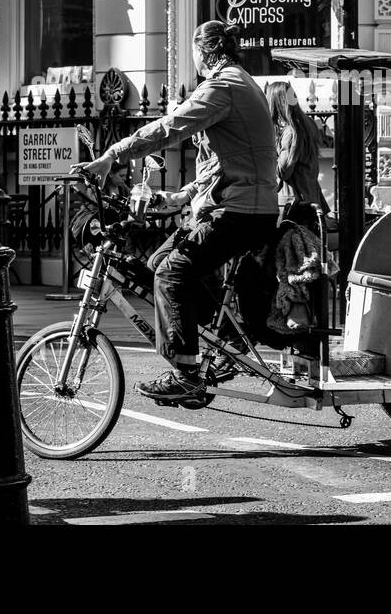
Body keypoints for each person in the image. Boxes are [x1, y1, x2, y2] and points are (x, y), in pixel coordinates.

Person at [76, 21, 279, 402]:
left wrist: (111, 156)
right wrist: (178, 198)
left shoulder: (223, 86)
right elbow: (222, 165)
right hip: (240, 205)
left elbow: (169, 128)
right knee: (159, 261)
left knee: (172, 273)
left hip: (240, 211)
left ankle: (186, 372)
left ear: (204, 51)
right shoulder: (240, 82)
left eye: (192, 51)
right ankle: (224, 341)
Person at [265, 80, 327, 218]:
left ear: (274, 102)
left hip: (293, 203)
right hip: (309, 196)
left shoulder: (291, 132)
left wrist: (268, 152)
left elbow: (283, 171)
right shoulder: (307, 124)